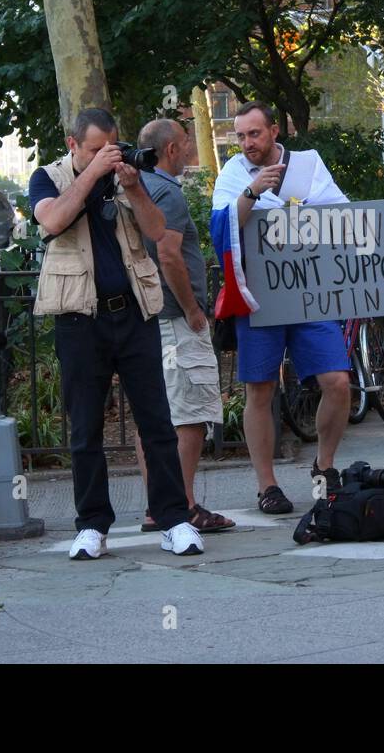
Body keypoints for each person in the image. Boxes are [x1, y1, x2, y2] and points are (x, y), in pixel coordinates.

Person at [210, 102, 384, 513]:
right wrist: (253, 191)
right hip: (261, 298)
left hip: (309, 295)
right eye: (240, 135)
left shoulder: (307, 165)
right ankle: (267, 486)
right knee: (260, 390)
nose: (246, 143)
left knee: (338, 382)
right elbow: (221, 228)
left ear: (274, 131)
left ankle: (324, 468)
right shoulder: (234, 173)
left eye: (254, 134)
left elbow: (346, 220)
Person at [30, 108, 203, 559]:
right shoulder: (47, 178)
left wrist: (130, 184)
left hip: (135, 312)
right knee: (85, 428)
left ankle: (174, 520)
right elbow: (52, 221)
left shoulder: (129, 174)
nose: (106, 156)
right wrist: (92, 175)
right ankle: (92, 525)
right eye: (94, 150)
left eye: (111, 147)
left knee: (157, 423)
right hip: (78, 318)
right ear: (73, 145)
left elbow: (157, 230)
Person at [133, 118, 235, 533]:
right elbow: (170, 255)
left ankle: (160, 504)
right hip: (175, 318)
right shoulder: (167, 193)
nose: (192, 148)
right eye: (187, 143)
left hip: (144, 318)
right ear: (171, 149)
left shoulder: (133, 187)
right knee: (189, 414)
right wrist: (193, 309)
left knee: (154, 416)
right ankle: (184, 505)